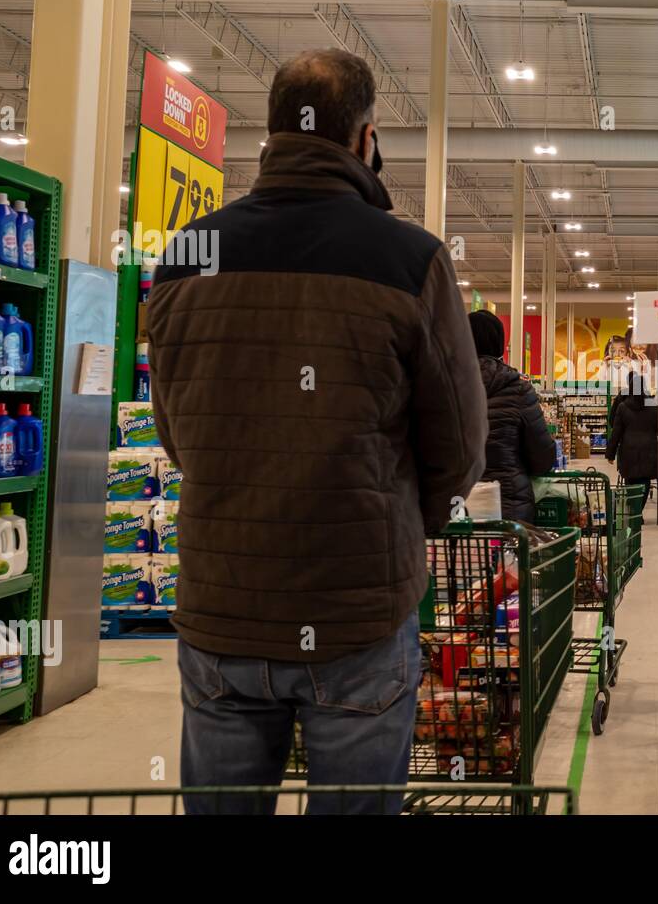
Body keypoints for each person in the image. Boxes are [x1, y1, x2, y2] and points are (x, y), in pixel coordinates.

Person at [147, 48, 487, 814]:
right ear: (366, 140)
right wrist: (397, 510)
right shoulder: (411, 260)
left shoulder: (184, 257)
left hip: (221, 608)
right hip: (357, 615)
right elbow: (460, 448)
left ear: (271, 135)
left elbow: (176, 431)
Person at [468, 310, 557, 522]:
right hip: (506, 508)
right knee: (506, 554)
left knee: (459, 556)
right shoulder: (517, 389)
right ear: (500, 344)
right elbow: (542, 456)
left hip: (453, 509)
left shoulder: (440, 386)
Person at [605, 371, 658, 498]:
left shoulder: (623, 406)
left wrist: (610, 454)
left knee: (630, 482)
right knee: (645, 481)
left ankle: (634, 511)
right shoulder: (653, 406)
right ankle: (639, 511)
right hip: (649, 449)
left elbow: (616, 431)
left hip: (628, 450)